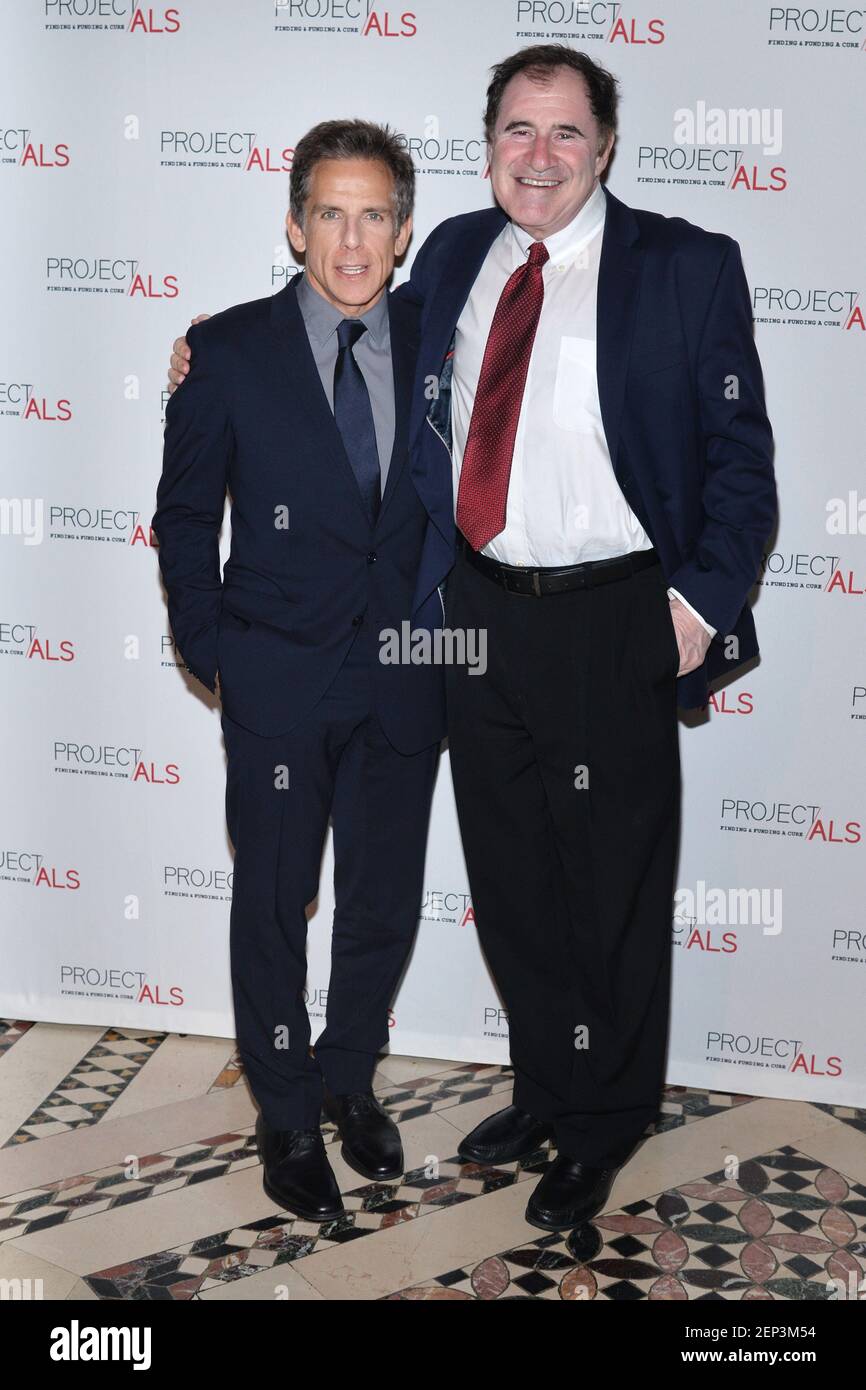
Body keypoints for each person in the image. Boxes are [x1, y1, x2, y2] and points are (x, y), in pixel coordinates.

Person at [166, 45, 776, 1233]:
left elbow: (739, 470)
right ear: (486, 141)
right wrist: (200, 356)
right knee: (510, 878)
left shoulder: (683, 267)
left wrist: (693, 610)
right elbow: (275, 388)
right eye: (515, 130)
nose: (537, 155)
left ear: (604, 145)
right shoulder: (453, 258)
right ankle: (531, 1089)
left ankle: (602, 1120)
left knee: (604, 886)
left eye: (562, 133)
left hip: (612, 614)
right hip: (471, 628)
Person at [152, 120, 444, 1223]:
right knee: (275, 902)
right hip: (276, 677)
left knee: (382, 902)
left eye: (374, 214)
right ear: (293, 223)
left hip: (409, 673)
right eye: (330, 211)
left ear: (404, 231)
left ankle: (344, 1077)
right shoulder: (225, 351)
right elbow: (184, 516)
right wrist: (211, 649)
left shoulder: (440, 335)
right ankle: (282, 1110)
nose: (352, 238)